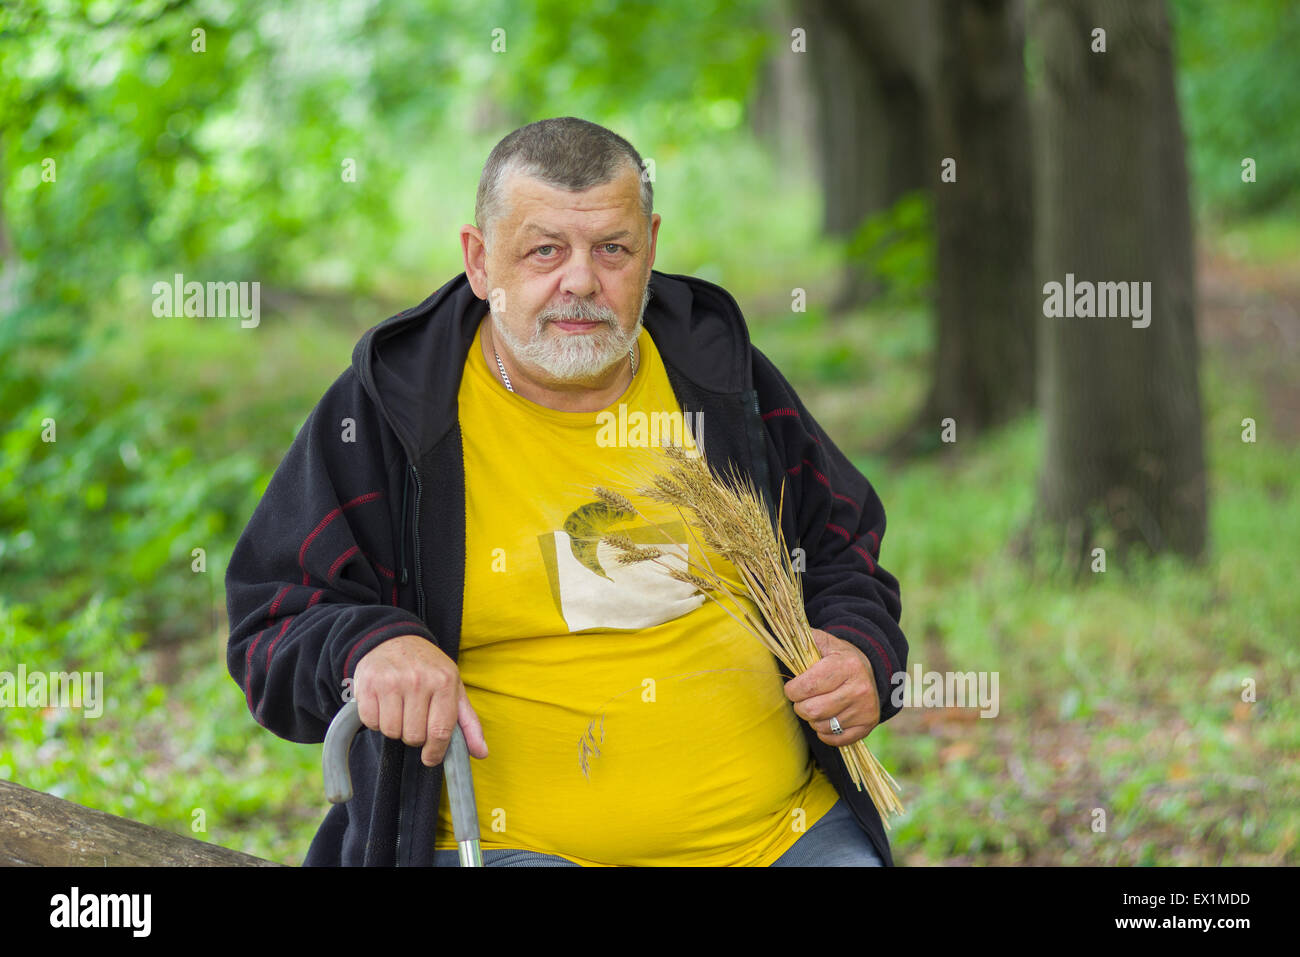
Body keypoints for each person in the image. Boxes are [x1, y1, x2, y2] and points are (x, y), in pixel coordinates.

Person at [225, 116, 907, 867]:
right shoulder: (392, 410)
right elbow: (270, 618)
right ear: (480, 261)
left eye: (611, 249)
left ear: (650, 250)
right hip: (507, 850)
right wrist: (371, 645)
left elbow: (844, 553)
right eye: (545, 249)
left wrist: (859, 652)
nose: (581, 280)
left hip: (779, 836)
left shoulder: (718, 379)